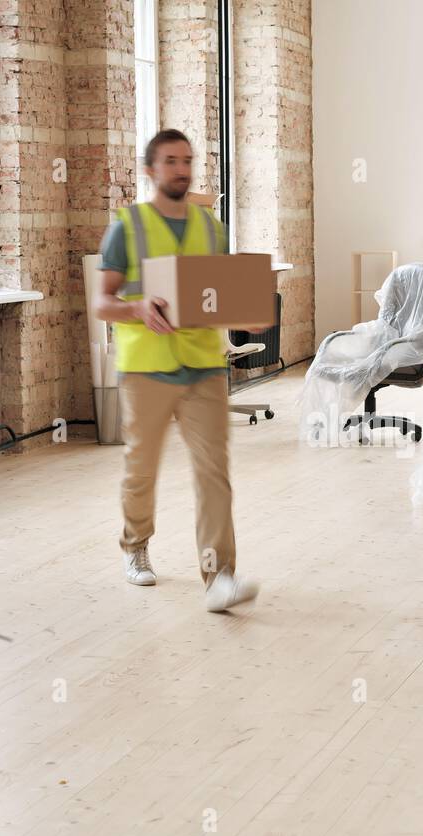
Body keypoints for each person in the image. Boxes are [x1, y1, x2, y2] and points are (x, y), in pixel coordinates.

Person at [94, 128, 258, 613]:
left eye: (187, 160)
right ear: (151, 170)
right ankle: (135, 546)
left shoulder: (212, 227)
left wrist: (245, 315)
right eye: (170, 161)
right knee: (141, 470)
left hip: (204, 364)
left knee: (214, 474)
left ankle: (219, 577)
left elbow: (218, 297)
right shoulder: (128, 226)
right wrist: (139, 308)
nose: (181, 169)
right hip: (147, 368)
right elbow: (102, 303)